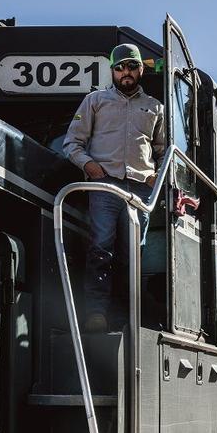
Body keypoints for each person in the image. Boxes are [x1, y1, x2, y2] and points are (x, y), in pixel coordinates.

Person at [63, 43, 165, 332]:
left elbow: (163, 151)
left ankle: (126, 316)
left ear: (141, 69)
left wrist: (156, 175)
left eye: (131, 66)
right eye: (120, 67)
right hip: (105, 187)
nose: (126, 72)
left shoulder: (155, 107)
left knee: (133, 253)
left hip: (139, 191)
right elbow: (72, 143)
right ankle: (97, 313)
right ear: (112, 71)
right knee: (101, 247)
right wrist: (89, 166)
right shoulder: (94, 101)